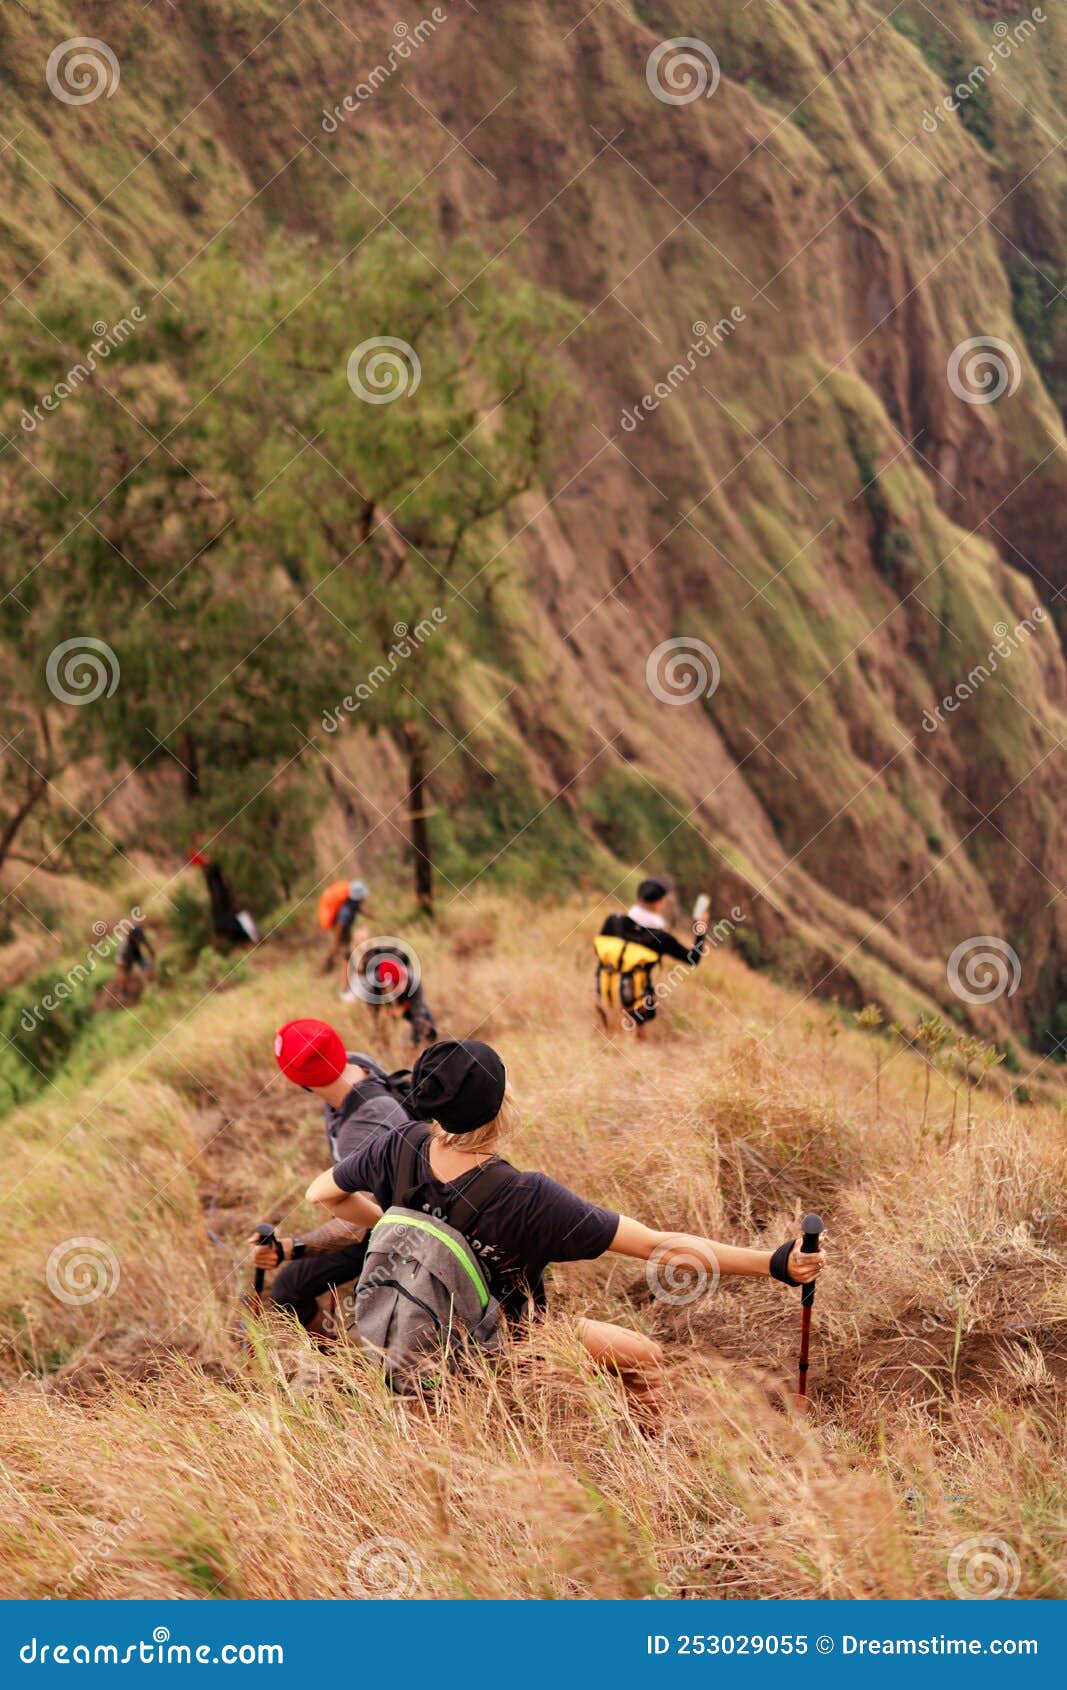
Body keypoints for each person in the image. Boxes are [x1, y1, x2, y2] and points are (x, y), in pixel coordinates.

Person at [305, 1039, 826, 1404]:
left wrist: (390, 1225)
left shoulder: (399, 1143)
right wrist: (774, 1263)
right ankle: (645, 1462)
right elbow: (658, 1247)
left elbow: (322, 1193)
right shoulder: (527, 1197)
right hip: (502, 1346)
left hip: (403, 1336)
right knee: (645, 1358)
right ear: (498, 1107)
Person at [248, 1018, 415, 1335]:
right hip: (382, 1202)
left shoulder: (362, 1127)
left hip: (397, 1223)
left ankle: (341, 1353)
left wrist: (288, 1249)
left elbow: (355, 1227)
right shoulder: (355, 1063)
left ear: (300, 1082)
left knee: (288, 1291)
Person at [595, 876, 707, 1039]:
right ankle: (639, 1037)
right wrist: (701, 926)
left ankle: (608, 1028)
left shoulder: (613, 921)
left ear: (639, 898)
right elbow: (693, 958)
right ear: (658, 903)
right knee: (644, 998)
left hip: (605, 993)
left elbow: (601, 954)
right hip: (638, 1004)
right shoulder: (661, 937)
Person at [341, 935, 438, 1048]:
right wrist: (386, 1013)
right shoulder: (375, 984)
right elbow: (373, 1010)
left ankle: (426, 1036)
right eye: (388, 987)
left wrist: (402, 1009)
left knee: (419, 1018)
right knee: (381, 1023)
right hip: (386, 1003)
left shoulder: (414, 983)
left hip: (408, 1001)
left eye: (395, 987)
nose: (391, 990)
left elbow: (417, 1013)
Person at [320, 878, 370, 975]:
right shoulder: (346, 910)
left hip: (345, 930)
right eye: (362, 896)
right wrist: (337, 939)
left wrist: (371, 915)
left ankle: (349, 968)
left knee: (347, 949)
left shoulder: (353, 903)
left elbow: (359, 909)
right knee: (339, 949)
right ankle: (327, 966)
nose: (363, 898)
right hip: (341, 931)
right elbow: (340, 925)